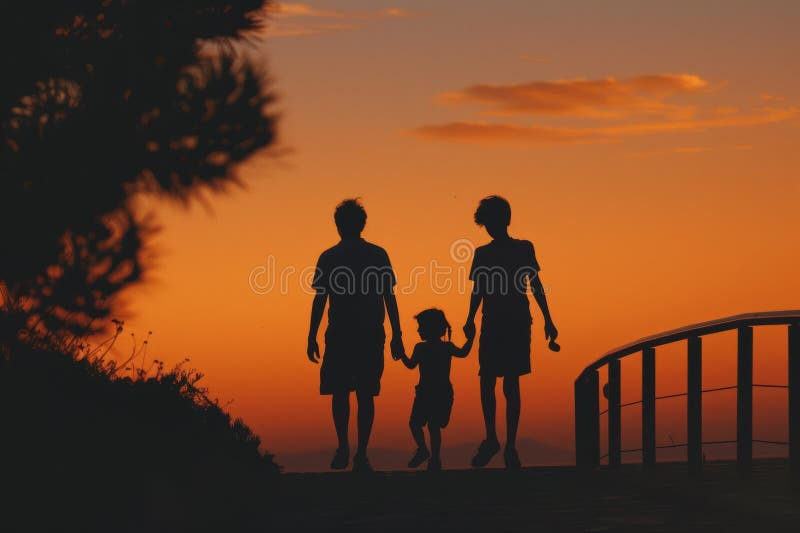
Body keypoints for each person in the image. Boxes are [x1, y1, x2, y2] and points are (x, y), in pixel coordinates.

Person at [307, 199, 405, 472]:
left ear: (338, 225)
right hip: (368, 333)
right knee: (365, 393)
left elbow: (320, 299)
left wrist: (311, 335)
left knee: (341, 392)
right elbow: (389, 297)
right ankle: (360, 452)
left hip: (342, 333)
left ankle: (345, 447)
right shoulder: (377, 254)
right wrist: (397, 334)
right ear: (362, 224)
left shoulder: (329, 257)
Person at [463, 195, 558, 469]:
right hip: (496, 321)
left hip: (513, 321)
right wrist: (469, 319)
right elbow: (478, 290)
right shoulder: (484, 253)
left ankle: (509, 445)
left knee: (508, 382)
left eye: (490, 222)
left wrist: (548, 319)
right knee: (489, 380)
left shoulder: (522, 248)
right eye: (486, 224)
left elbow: (535, 284)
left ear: (503, 220)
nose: (488, 228)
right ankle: (494, 439)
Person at [397, 308, 473, 471]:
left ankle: (424, 450)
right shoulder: (446, 347)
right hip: (442, 392)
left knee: (415, 423)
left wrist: (401, 354)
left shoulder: (420, 348)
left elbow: (410, 365)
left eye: (421, 326)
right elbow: (463, 352)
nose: (418, 330)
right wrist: (471, 339)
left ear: (429, 328)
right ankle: (435, 458)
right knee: (434, 426)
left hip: (426, 393)